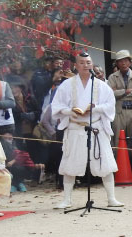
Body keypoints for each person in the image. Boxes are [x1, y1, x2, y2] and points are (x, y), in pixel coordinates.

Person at [50, 52, 123, 209]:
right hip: (75, 127)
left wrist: (95, 108)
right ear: (76, 66)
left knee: (105, 163)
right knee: (70, 164)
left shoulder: (102, 86)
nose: (86, 65)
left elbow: (110, 105)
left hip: (96, 128)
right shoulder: (67, 85)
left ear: (92, 65)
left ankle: (111, 198)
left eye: (88, 62)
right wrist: (70, 111)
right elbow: (56, 106)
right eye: (82, 62)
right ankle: (67, 199)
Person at [106, 49, 132, 146]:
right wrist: (126, 91)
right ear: (117, 63)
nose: (123, 63)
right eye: (120, 61)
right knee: (118, 139)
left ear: (130, 62)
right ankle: (117, 160)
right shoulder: (112, 77)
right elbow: (110, 94)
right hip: (119, 111)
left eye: (125, 60)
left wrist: (119, 94)